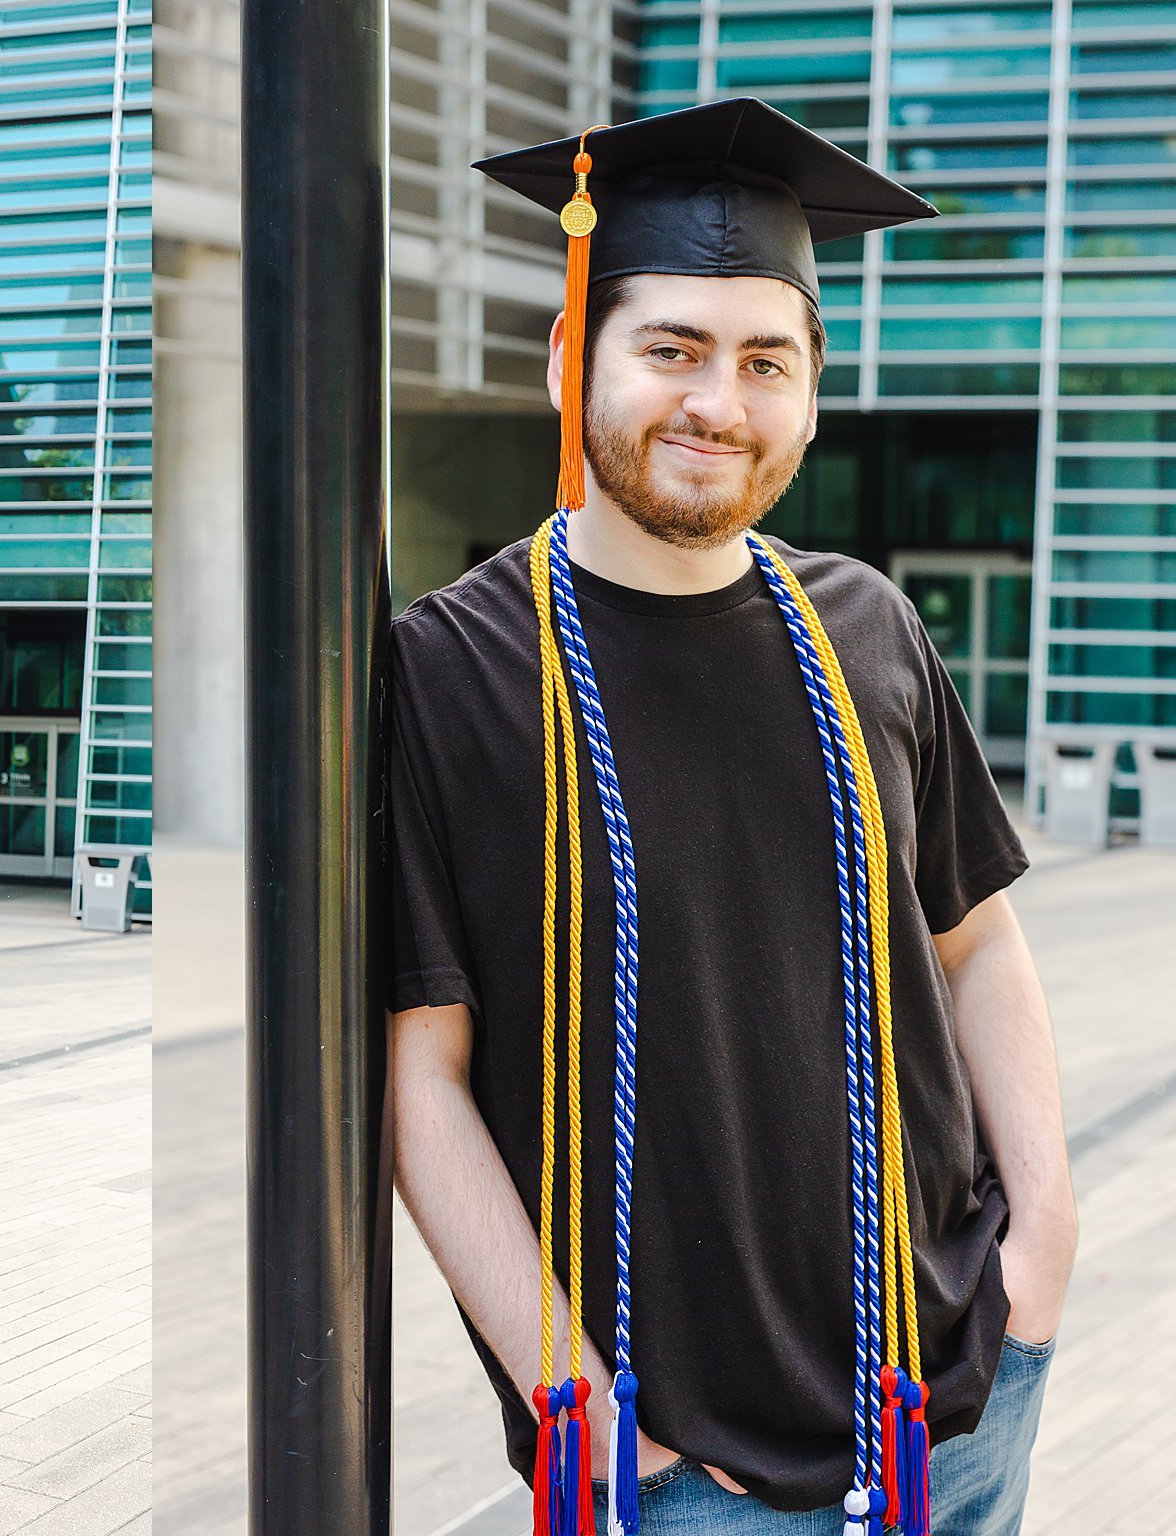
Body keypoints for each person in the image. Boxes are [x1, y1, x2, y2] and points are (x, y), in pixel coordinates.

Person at [387, 99, 1076, 1535]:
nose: (720, 402)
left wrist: (1043, 1252)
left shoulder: (871, 628)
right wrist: (577, 1408)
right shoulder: (448, 670)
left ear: (814, 389)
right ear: (579, 358)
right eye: (674, 349)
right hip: (670, 1460)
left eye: (768, 360)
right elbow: (422, 1075)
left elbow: (979, 942)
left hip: (959, 1396)